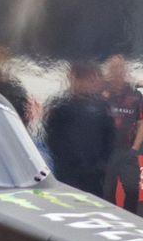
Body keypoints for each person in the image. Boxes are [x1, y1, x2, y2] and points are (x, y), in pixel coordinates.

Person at [44, 62, 115, 196]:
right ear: (72, 80)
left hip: (94, 175)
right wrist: (64, 163)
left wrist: (101, 165)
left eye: (86, 79)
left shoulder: (101, 108)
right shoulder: (61, 107)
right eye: (78, 79)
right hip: (67, 174)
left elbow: (109, 139)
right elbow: (52, 138)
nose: (82, 83)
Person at [102, 55, 143, 212]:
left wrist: (135, 148)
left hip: (127, 150)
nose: (117, 71)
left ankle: (130, 221)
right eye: (113, 68)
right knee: (107, 193)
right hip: (106, 152)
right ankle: (110, 223)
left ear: (125, 70)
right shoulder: (101, 92)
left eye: (120, 68)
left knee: (133, 190)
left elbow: (142, 123)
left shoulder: (135, 94)